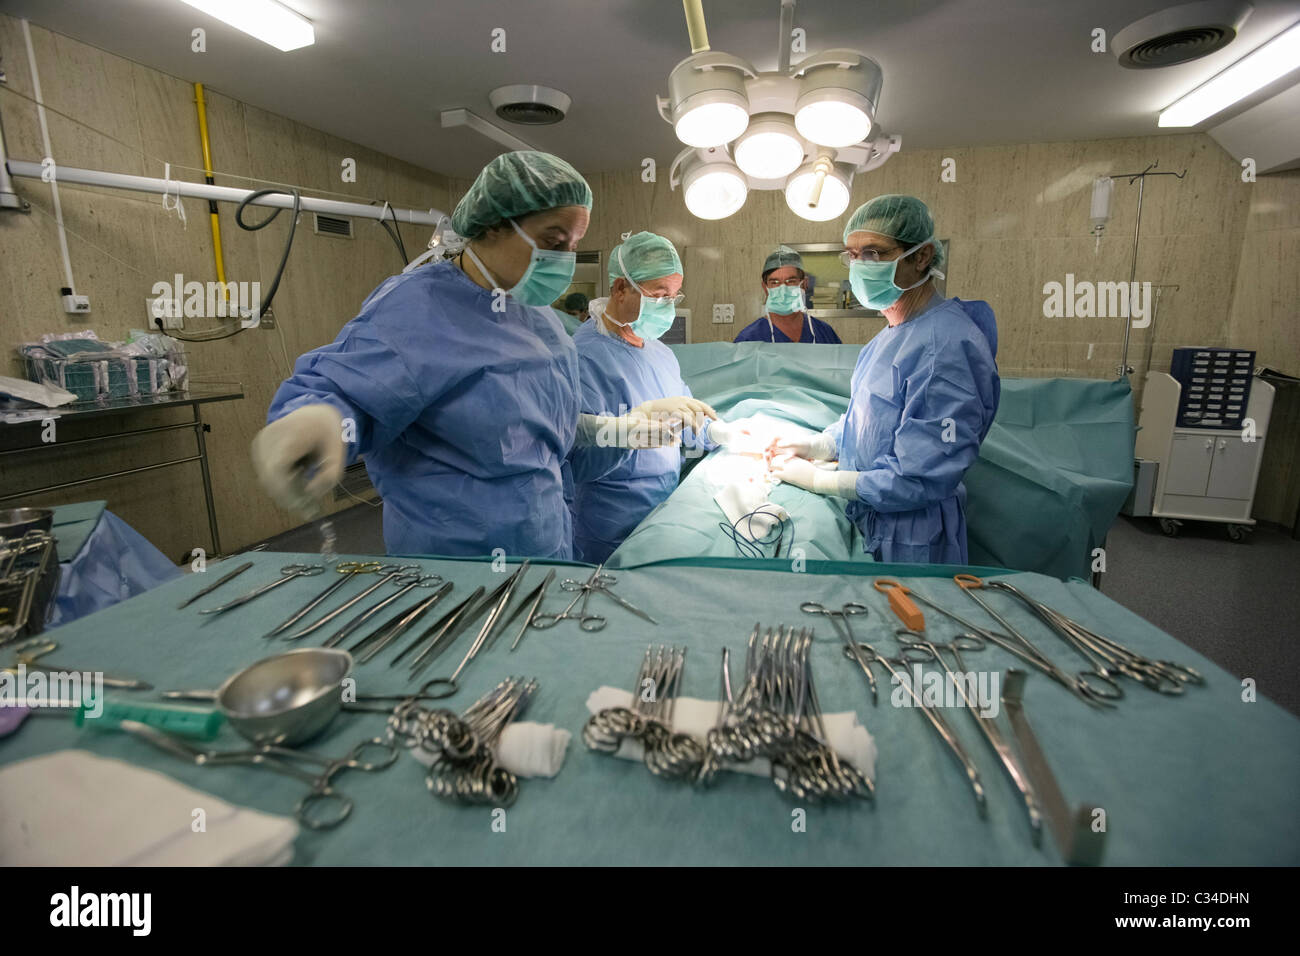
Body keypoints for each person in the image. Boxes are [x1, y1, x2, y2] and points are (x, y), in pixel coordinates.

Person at [249, 150, 706, 559]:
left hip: (547, 550)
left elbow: (551, 436)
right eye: (552, 241)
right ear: (492, 226)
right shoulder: (419, 308)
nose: (565, 259)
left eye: (571, 245)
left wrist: (621, 429)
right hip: (453, 567)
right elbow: (343, 389)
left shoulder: (542, 323)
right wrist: (319, 420)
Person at [769, 195, 999, 564]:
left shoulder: (946, 345)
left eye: (874, 254)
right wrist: (820, 445)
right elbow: (870, 422)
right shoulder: (891, 336)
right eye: (853, 255)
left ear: (921, 257)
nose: (859, 266)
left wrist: (819, 481)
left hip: (911, 536)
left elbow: (920, 475)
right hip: (873, 517)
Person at [568, 232, 743, 563]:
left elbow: (685, 419)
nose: (668, 307)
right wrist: (629, 431)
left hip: (663, 511)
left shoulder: (660, 353)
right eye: (659, 295)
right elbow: (577, 459)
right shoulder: (583, 355)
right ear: (621, 289)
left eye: (674, 297)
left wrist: (718, 432)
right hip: (608, 525)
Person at [733, 246, 842, 344]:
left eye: (790, 281)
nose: (783, 289)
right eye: (775, 282)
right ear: (765, 288)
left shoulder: (825, 333)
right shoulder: (749, 339)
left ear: (804, 284)